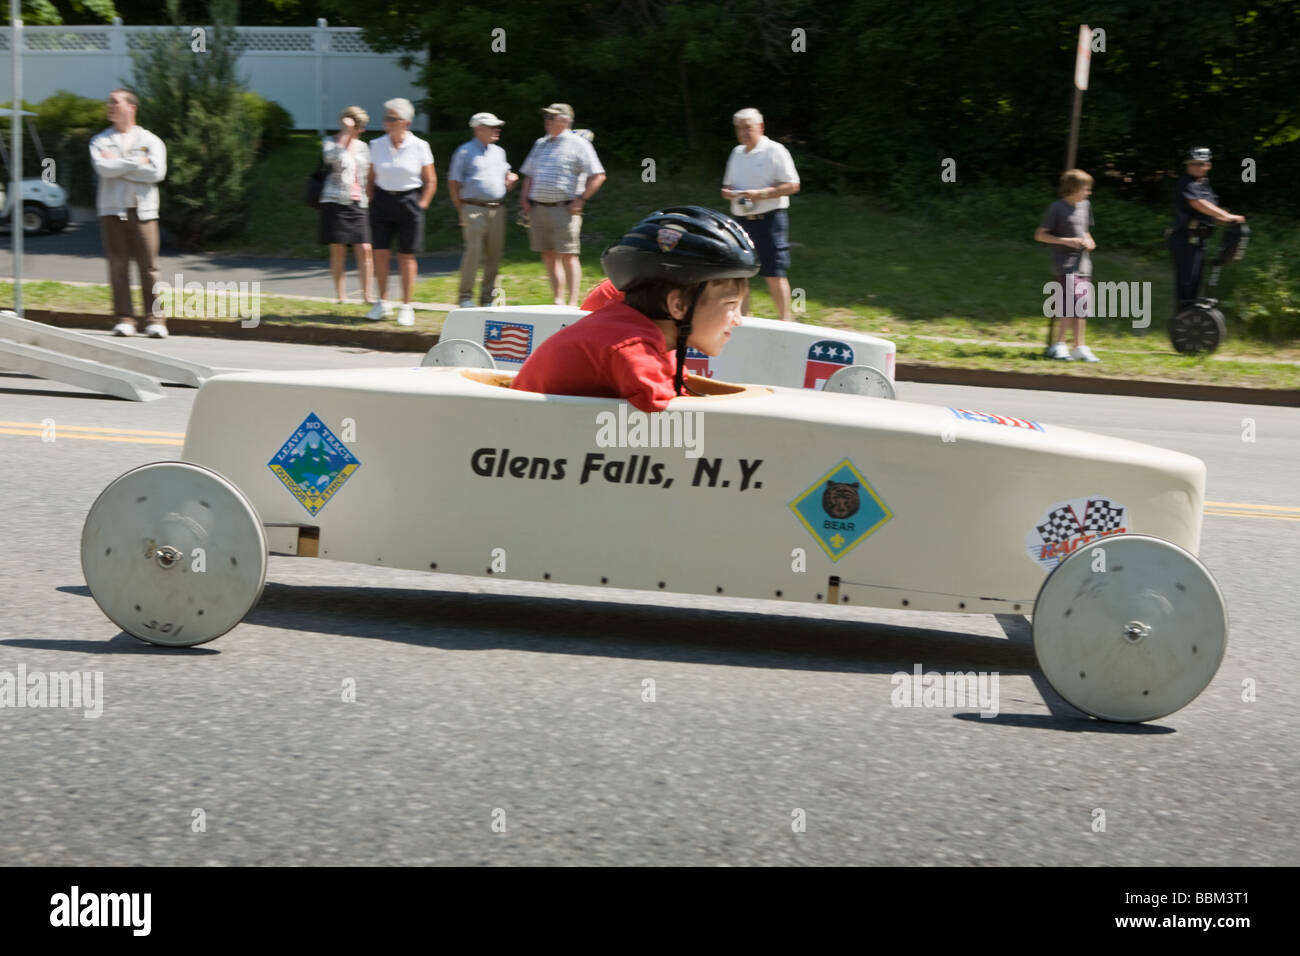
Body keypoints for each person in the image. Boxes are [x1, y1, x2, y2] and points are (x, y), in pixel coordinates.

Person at [512, 205, 758, 413]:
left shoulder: (642, 335)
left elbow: (684, 391)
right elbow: (676, 420)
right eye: (731, 305)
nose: (738, 320)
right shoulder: (631, 348)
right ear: (679, 305)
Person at [89, 88, 167, 338]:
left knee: (149, 267)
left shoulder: (150, 140)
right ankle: (125, 318)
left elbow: (157, 173)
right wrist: (137, 163)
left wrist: (119, 162)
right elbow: (103, 168)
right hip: (112, 211)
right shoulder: (100, 141)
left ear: (131, 108)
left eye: (115, 102)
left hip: (143, 212)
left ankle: (155, 320)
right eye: (108, 102)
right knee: (118, 266)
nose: (109, 106)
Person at [519, 103, 606, 307]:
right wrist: (524, 199)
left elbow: (598, 175)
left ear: (565, 120)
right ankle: (558, 300)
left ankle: (573, 302)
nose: (547, 121)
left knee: (568, 254)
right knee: (548, 254)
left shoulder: (579, 144)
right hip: (538, 207)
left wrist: (581, 199)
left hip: (565, 208)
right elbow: (529, 175)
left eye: (552, 117)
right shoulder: (540, 143)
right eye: (546, 117)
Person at [721, 107, 800, 321]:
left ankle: (786, 321)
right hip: (740, 220)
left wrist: (761, 194)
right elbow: (727, 186)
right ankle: (742, 320)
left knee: (774, 273)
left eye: (748, 128)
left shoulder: (775, 150)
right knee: (741, 272)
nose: (743, 133)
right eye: (739, 129)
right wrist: (729, 194)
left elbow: (793, 185)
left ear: (760, 127)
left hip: (770, 219)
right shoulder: (737, 153)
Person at [366, 97, 436, 326]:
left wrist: (421, 205)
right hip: (382, 201)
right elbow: (370, 178)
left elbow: (430, 181)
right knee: (381, 253)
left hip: (409, 201)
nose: (387, 122)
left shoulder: (420, 146)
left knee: (407, 255)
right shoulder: (376, 145)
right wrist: (371, 200)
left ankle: (406, 305)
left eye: (392, 118)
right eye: (386, 118)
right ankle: (383, 302)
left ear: (405, 122)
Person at [448, 112, 518, 308]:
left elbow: (506, 174)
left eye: (498, 126)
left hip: (497, 209)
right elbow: (453, 182)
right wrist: (461, 209)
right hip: (473, 208)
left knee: (494, 255)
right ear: (479, 128)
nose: (497, 130)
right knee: (474, 253)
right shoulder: (464, 152)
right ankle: (465, 297)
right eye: (492, 127)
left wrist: (511, 178)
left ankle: (487, 298)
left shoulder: (499, 152)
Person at [1168, 147, 1246, 317]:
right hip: (1185, 240)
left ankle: (1191, 321)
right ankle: (1182, 322)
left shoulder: (1203, 184)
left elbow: (1209, 211)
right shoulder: (1186, 183)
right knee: (1187, 284)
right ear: (1187, 165)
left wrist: (1225, 220)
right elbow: (1198, 204)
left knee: (1195, 283)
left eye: (1200, 164)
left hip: (1200, 240)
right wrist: (1227, 215)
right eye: (1193, 164)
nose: (1196, 167)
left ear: (1208, 165)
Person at [1035, 169, 1099, 362]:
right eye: (1085, 188)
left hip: (1083, 264)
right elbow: (1040, 235)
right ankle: (1060, 344)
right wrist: (1066, 241)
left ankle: (1079, 346)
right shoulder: (1056, 208)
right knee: (1068, 304)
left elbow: (1086, 232)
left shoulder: (1085, 206)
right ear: (1074, 188)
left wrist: (1090, 242)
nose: (1088, 192)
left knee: (1082, 305)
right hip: (1064, 264)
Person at [320, 106, 375, 308]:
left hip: (358, 201)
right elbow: (331, 160)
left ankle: (367, 295)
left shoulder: (363, 147)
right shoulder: (330, 142)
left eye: (361, 127)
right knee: (338, 249)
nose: (361, 131)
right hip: (334, 200)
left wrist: (369, 195)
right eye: (358, 126)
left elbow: (368, 173)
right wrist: (345, 135)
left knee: (365, 248)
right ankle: (341, 295)